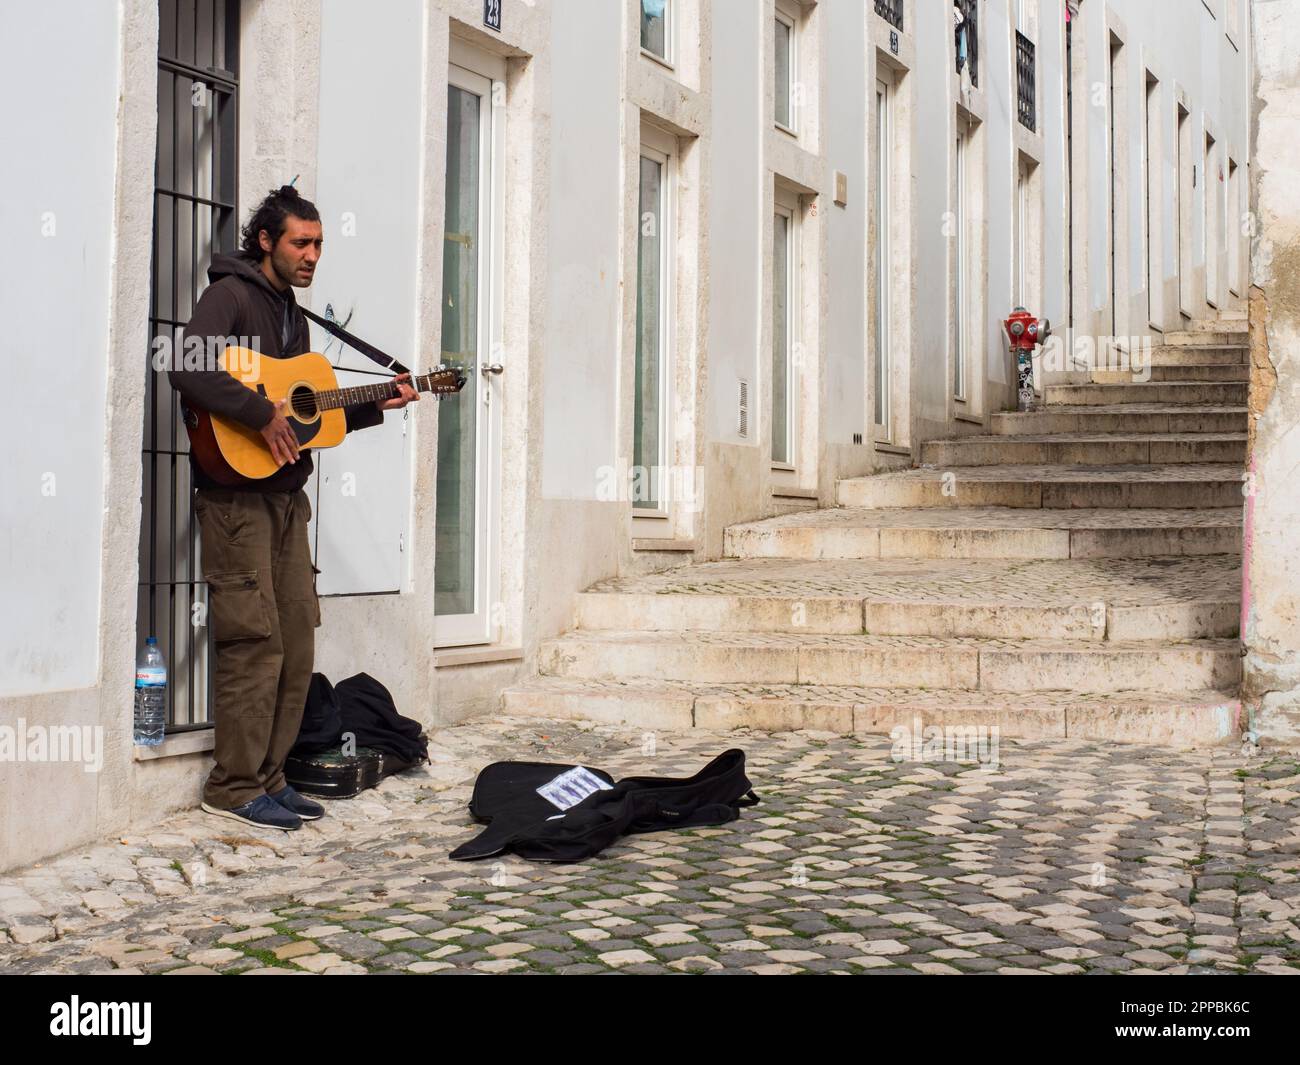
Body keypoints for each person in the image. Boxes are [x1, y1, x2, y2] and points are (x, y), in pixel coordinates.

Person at [169, 185, 417, 831]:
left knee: (295, 642)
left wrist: (371, 406)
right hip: (235, 501)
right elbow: (188, 365)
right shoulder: (230, 294)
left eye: (319, 245)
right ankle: (233, 785)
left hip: (285, 500)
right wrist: (256, 412)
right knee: (252, 642)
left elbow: (303, 417)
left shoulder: (294, 317)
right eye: (301, 243)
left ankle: (271, 778)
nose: (312, 255)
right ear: (266, 242)